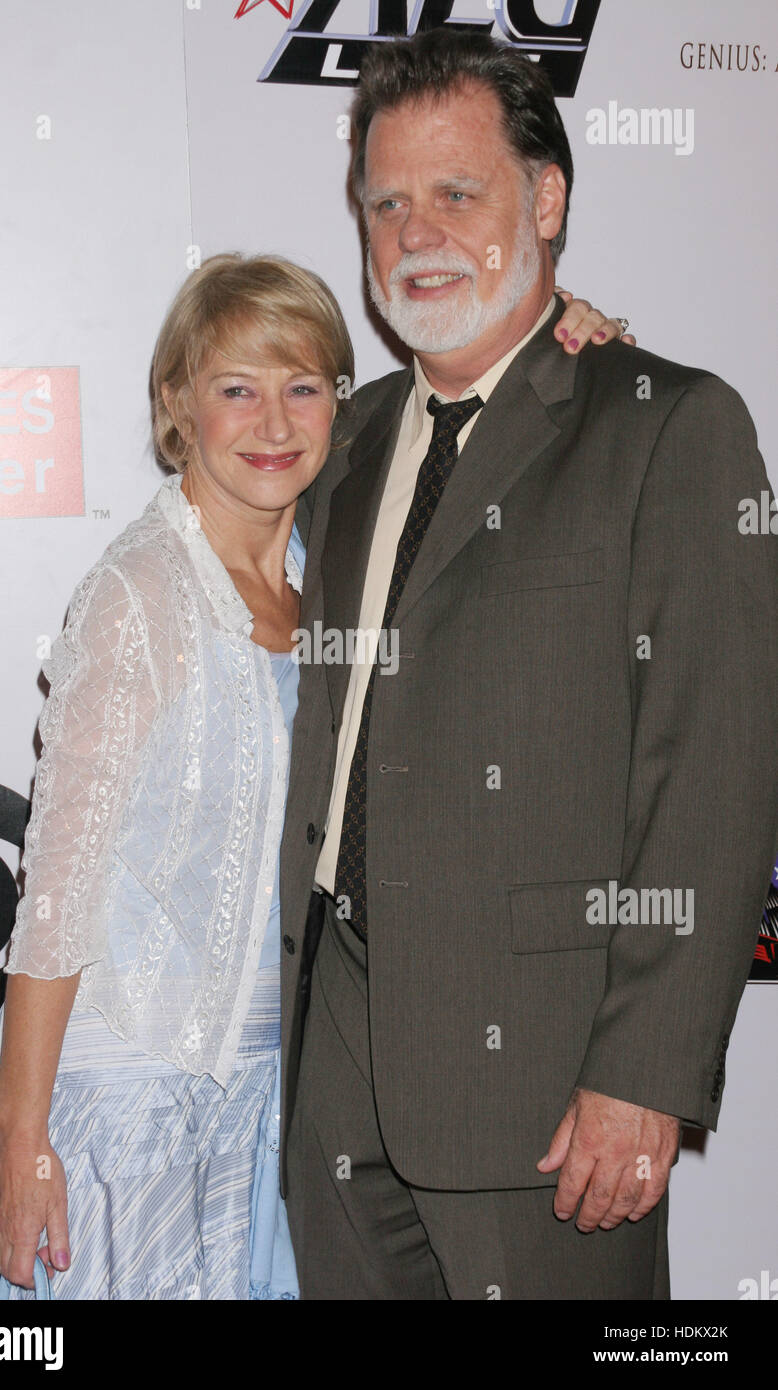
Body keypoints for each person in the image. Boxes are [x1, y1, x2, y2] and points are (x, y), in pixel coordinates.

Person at [0, 247, 629, 1301]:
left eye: (301, 388)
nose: (272, 423)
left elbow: (439, 408)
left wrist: (548, 338)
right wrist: (23, 1140)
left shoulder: (321, 573)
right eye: (233, 390)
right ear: (175, 404)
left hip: (266, 1104)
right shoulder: (139, 594)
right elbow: (56, 894)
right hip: (118, 1108)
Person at [278, 29, 778, 1300]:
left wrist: (645, 1073)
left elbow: (716, 773)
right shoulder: (346, 441)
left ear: (544, 199)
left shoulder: (671, 427)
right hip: (331, 1060)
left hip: (550, 1090)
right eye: (385, 202)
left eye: (456, 192)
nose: (414, 232)